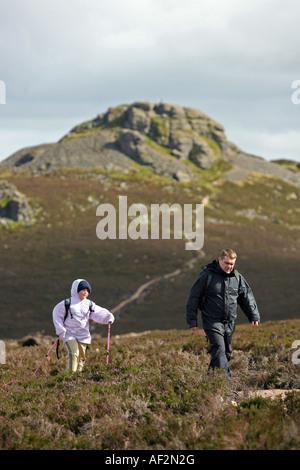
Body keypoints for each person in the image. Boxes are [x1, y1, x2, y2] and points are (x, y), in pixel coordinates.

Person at [186, 248, 260, 378]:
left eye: (232, 264)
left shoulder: (237, 278)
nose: (229, 266)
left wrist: (253, 314)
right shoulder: (207, 275)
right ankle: (226, 384)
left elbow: (246, 297)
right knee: (219, 350)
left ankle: (210, 380)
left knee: (225, 354)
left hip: (230, 322)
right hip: (212, 320)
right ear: (220, 259)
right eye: (226, 263)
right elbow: (194, 297)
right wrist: (192, 320)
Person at [52, 278, 115, 372]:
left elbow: (98, 312)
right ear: (76, 290)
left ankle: (77, 377)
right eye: (83, 290)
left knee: (81, 357)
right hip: (69, 334)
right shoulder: (66, 303)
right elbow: (57, 314)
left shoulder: (89, 304)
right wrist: (60, 329)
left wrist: (108, 317)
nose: (85, 292)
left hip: (83, 335)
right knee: (73, 353)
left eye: (87, 290)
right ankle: (69, 377)